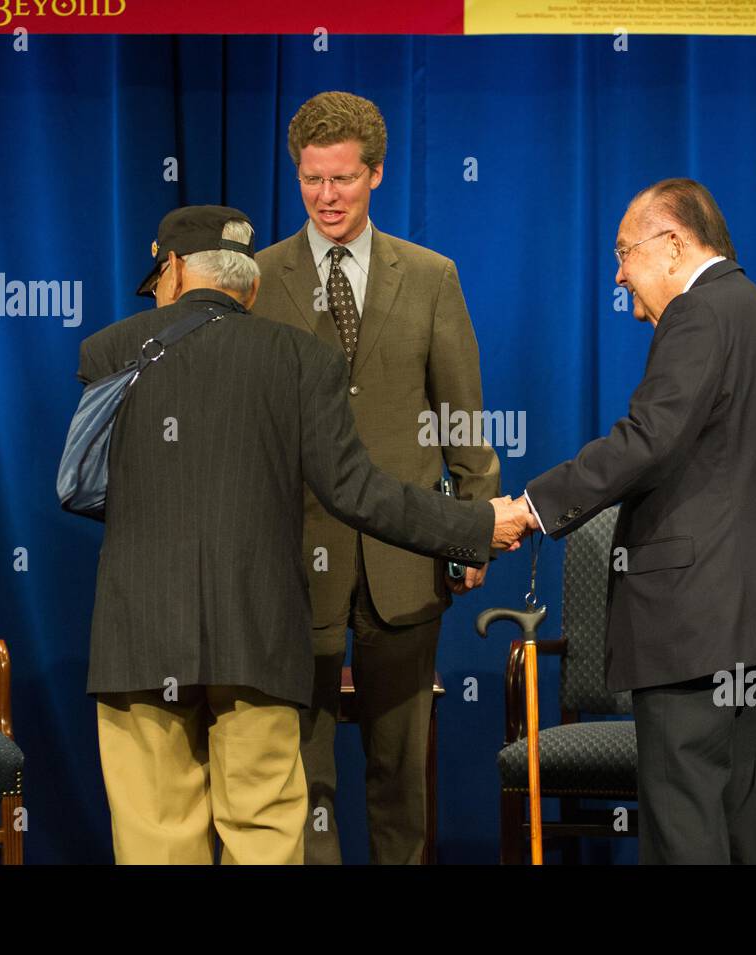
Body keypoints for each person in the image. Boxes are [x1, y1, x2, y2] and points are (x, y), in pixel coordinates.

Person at [74, 204, 528, 864]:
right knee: (262, 834)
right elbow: (360, 494)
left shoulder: (109, 351)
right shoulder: (303, 360)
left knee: (157, 841)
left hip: (140, 637)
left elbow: (81, 485)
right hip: (255, 634)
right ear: (251, 285)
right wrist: (478, 523)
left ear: (170, 270)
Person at [503, 179, 756, 864]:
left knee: (685, 831)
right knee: (741, 828)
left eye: (624, 252)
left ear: (672, 243)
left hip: (696, 623)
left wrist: (531, 506)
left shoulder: (699, 313)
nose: (618, 275)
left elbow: (647, 440)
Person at [253, 91, 501, 864]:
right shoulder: (259, 279)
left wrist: (474, 528)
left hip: (405, 561)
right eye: (311, 180)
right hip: (292, 562)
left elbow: (462, 419)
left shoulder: (430, 277)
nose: (327, 197)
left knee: (401, 770)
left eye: (344, 179)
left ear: (377, 174)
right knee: (303, 769)